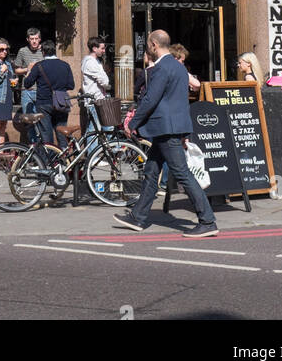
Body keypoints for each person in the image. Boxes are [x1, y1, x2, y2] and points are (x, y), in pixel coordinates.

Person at [114, 29, 218, 238]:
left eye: (148, 46)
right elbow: (179, 100)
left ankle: (207, 221)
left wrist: (133, 123)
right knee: (151, 172)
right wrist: (185, 131)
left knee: (182, 173)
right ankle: (138, 217)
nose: (147, 49)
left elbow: (151, 99)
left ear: (153, 44)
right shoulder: (179, 67)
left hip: (165, 128)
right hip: (171, 127)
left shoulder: (161, 68)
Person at [23, 40, 75, 148]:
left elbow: (27, 84)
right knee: (61, 133)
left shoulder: (39, 66)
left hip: (43, 103)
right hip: (61, 102)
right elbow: (71, 85)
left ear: (43, 52)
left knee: (46, 134)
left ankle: (49, 161)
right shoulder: (65, 65)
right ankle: (64, 160)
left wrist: (28, 72)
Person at [14, 28, 42, 122]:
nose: (34, 41)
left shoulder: (44, 51)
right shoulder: (23, 51)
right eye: (32, 39)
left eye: (36, 39)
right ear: (28, 39)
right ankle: (32, 137)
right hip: (27, 90)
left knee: (41, 121)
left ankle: (40, 137)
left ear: (39, 39)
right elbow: (16, 70)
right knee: (28, 121)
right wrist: (28, 69)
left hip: (41, 89)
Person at [81, 37, 111, 102]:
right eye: (102, 48)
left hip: (97, 98)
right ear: (94, 48)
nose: (104, 51)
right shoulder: (90, 62)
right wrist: (106, 84)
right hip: (94, 100)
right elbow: (104, 81)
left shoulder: (96, 61)